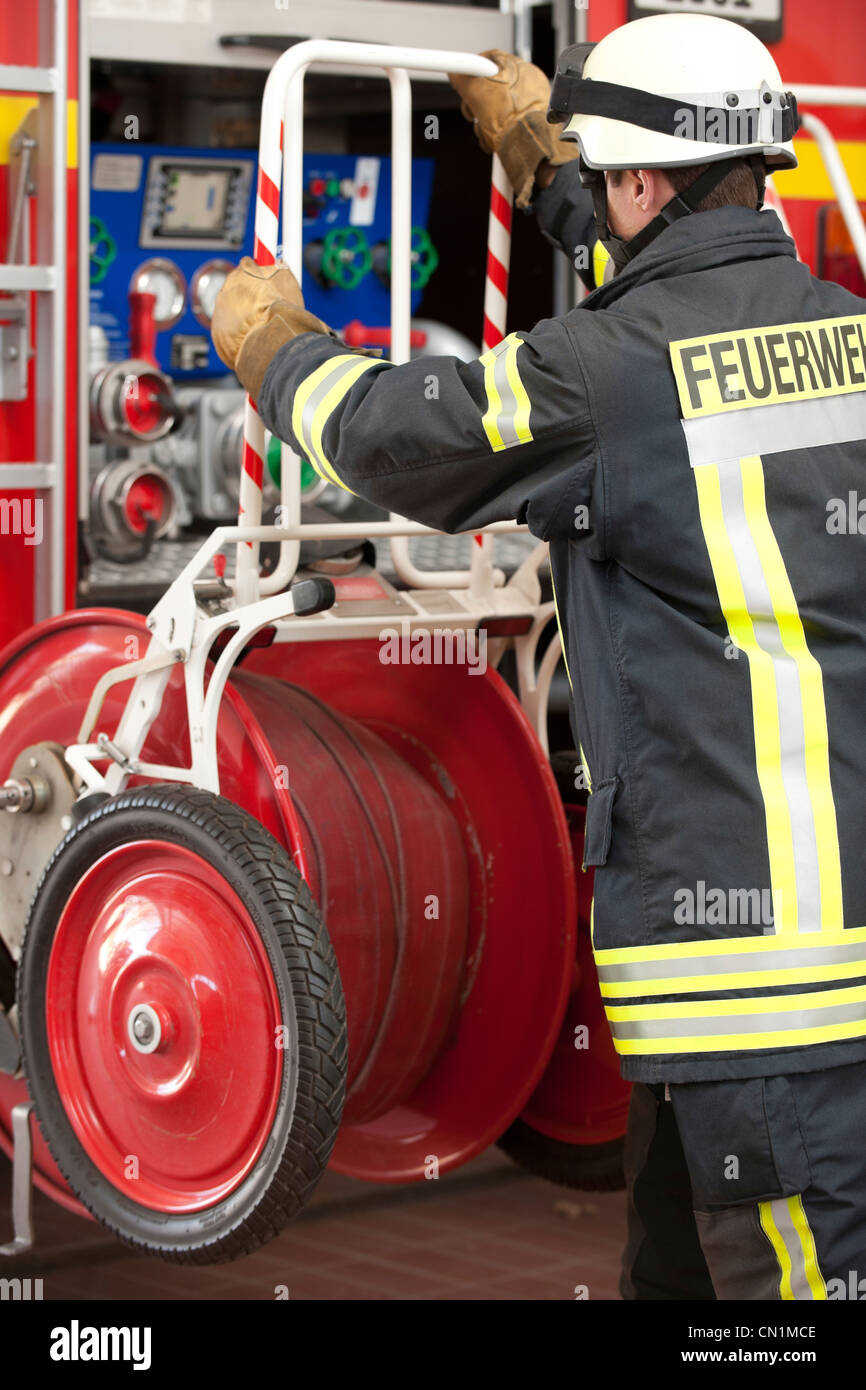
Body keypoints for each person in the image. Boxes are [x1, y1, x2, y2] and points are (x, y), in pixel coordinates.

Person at [212, 13, 866, 1300]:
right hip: (799, 973)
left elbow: (400, 435)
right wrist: (551, 180)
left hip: (744, 996)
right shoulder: (841, 333)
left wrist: (273, 349)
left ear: (635, 180)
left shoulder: (603, 373)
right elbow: (683, 291)